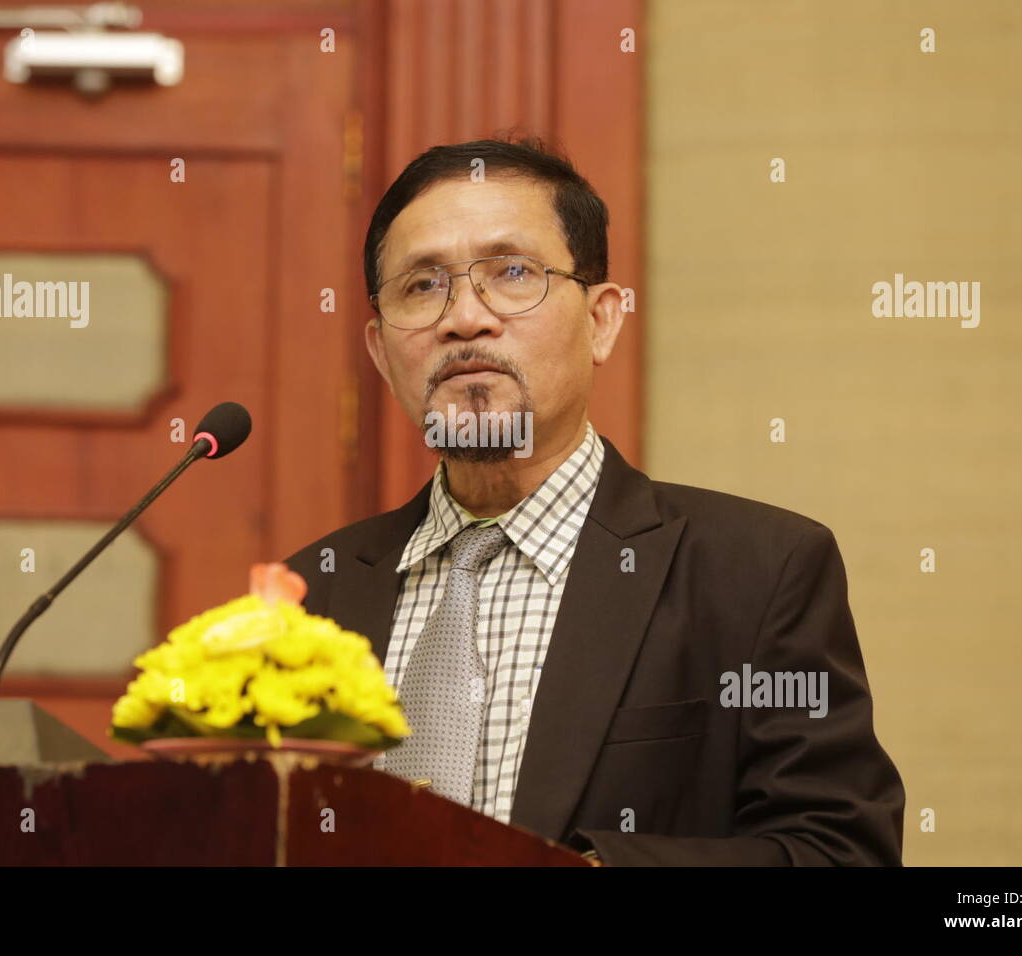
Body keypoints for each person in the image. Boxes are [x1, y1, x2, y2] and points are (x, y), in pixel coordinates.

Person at [284, 136, 904, 866]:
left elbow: (841, 852)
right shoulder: (314, 590)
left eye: (512, 273)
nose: (463, 318)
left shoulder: (757, 573)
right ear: (382, 351)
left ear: (602, 320)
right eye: (422, 286)